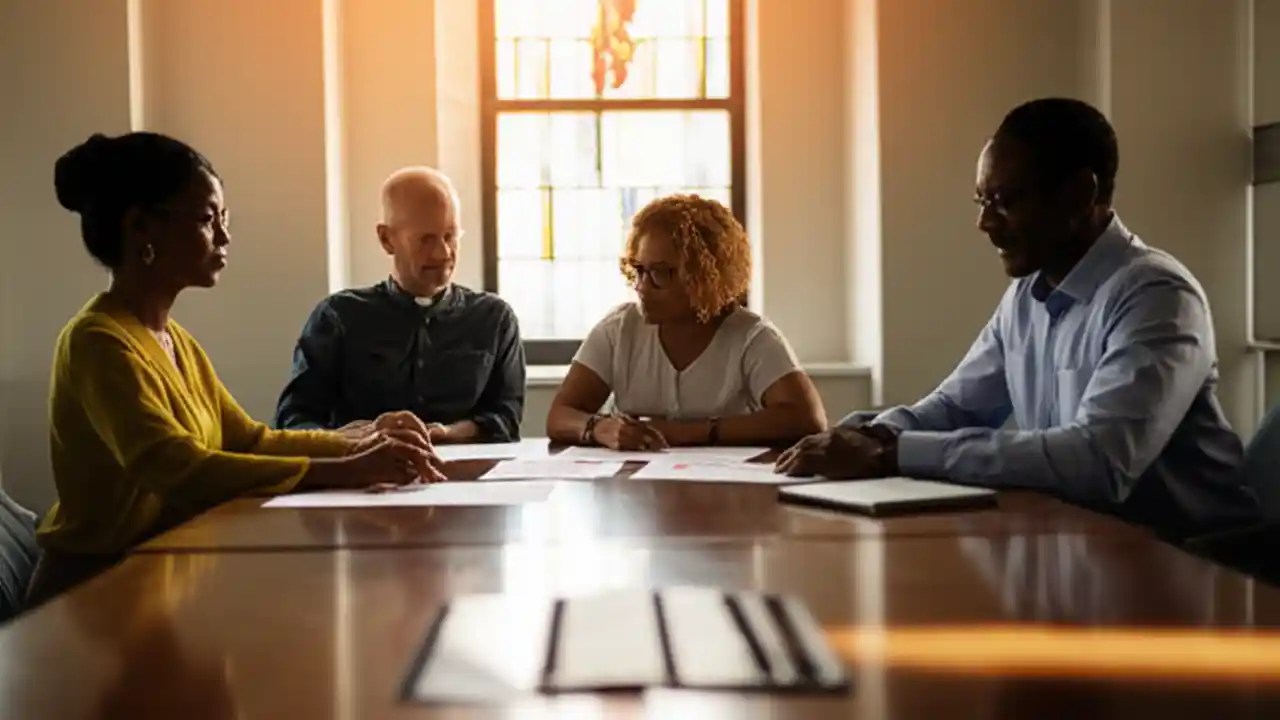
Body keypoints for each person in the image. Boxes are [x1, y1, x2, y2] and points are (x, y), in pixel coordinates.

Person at [777, 98, 1259, 539]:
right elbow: (956, 407)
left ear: (1079, 195)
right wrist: (870, 434)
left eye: (1006, 201)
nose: (986, 223)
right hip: (1081, 545)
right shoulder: (1026, 296)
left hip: (1193, 562)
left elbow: (1099, 462)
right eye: (982, 202)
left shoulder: (1156, 296)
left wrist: (890, 454)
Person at [31, 133, 446, 605]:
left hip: (155, 582)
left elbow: (249, 439)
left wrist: (364, 438)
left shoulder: (173, 341)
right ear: (142, 227)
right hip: (90, 595)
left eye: (224, 219)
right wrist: (347, 469)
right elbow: (181, 470)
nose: (225, 236)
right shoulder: (98, 342)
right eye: (208, 219)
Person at [547, 194, 826, 450]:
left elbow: (806, 419)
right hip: (634, 491)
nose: (642, 286)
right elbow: (560, 416)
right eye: (639, 270)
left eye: (660, 273)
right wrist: (598, 428)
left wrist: (688, 432)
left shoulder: (752, 336)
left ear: (706, 276)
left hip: (728, 493)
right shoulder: (618, 330)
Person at [274, 167, 525, 444]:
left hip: (464, 479)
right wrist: (357, 439)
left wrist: (443, 434)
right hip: (361, 478)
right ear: (386, 239)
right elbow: (293, 420)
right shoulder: (337, 318)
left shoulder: (494, 319)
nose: (443, 253)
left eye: (450, 236)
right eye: (426, 239)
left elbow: (506, 418)